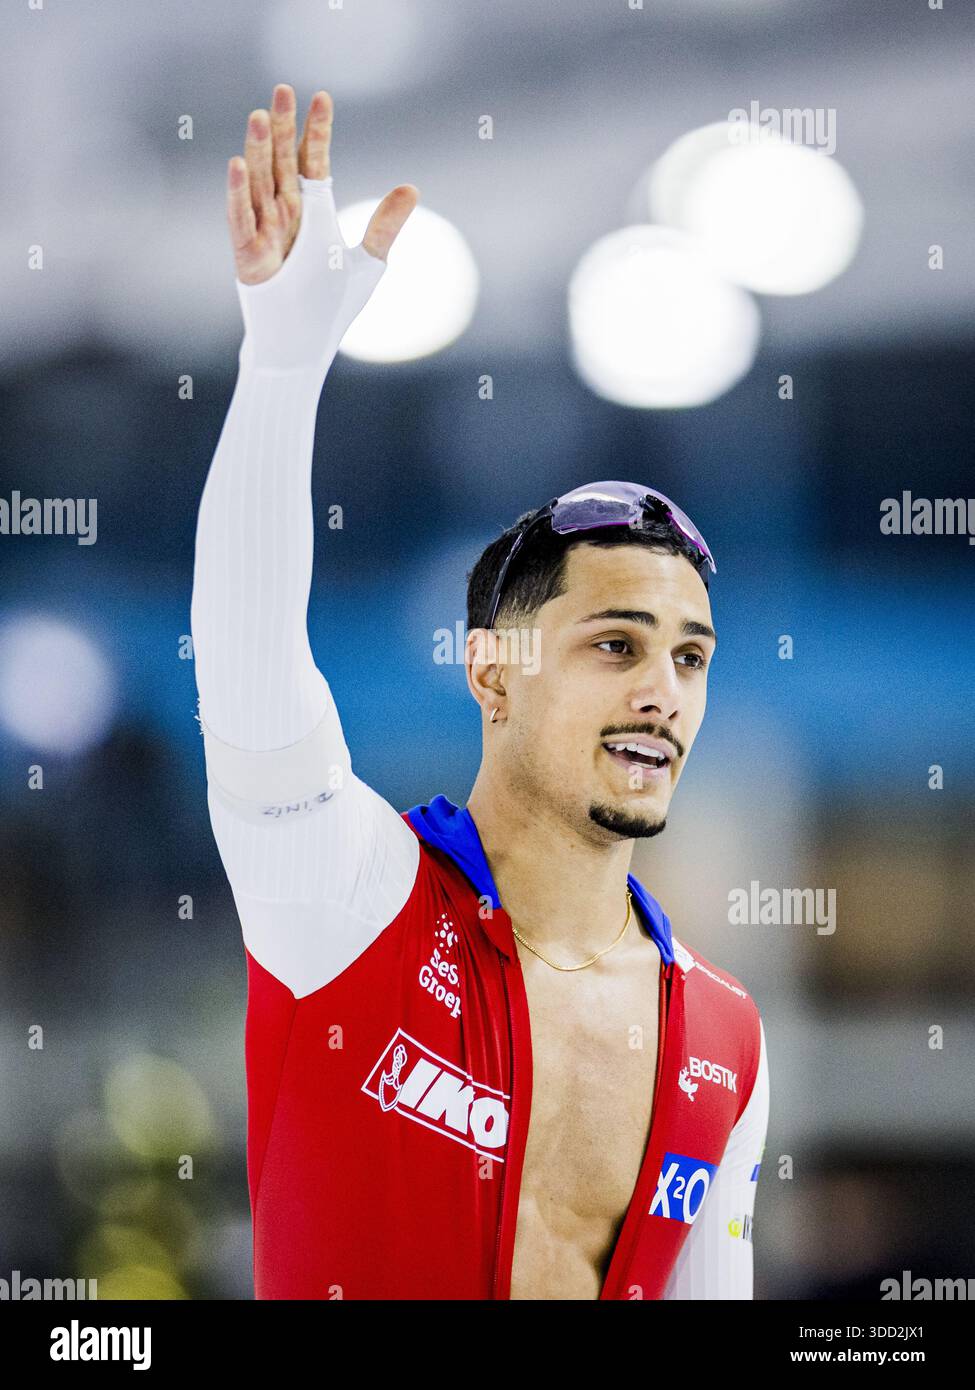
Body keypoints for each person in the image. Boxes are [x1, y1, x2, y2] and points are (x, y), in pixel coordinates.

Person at [190, 84, 770, 1301]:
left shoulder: (726, 1038)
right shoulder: (347, 897)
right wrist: (283, 362)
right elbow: (246, 664)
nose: (663, 690)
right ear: (490, 674)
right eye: (616, 644)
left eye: (690, 656)